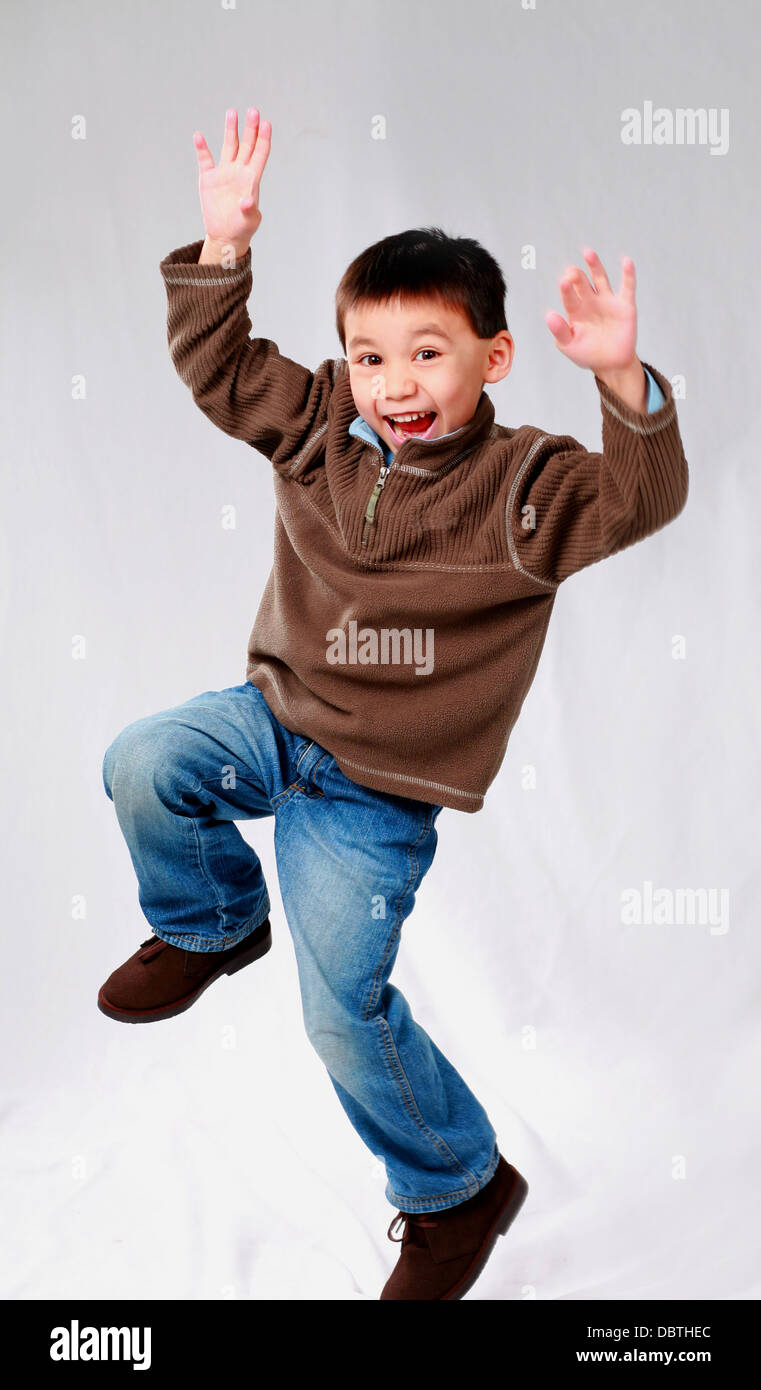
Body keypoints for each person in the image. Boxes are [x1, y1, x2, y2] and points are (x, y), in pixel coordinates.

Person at [99, 107, 689, 1300]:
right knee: (143, 760)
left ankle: (455, 1189)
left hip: (372, 797)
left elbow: (639, 500)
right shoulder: (319, 423)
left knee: (341, 1014)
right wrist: (223, 247)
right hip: (273, 723)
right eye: (369, 357)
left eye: (427, 353)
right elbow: (220, 367)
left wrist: (620, 379)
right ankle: (213, 922)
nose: (394, 383)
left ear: (494, 357)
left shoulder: (524, 490)